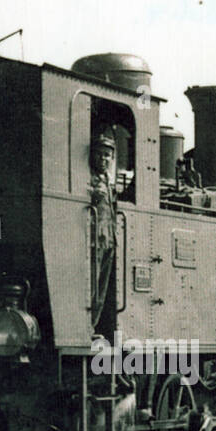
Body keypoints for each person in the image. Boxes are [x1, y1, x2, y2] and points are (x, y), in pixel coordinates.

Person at [89, 130, 118, 328]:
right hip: (95, 238)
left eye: (107, 155)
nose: (103, 158)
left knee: (101, 287)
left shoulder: (108, 180)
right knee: (92, 285)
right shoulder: (89, 178)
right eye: (99, 154)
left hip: (108, 238)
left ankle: (93, 325)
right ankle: (88, 325)